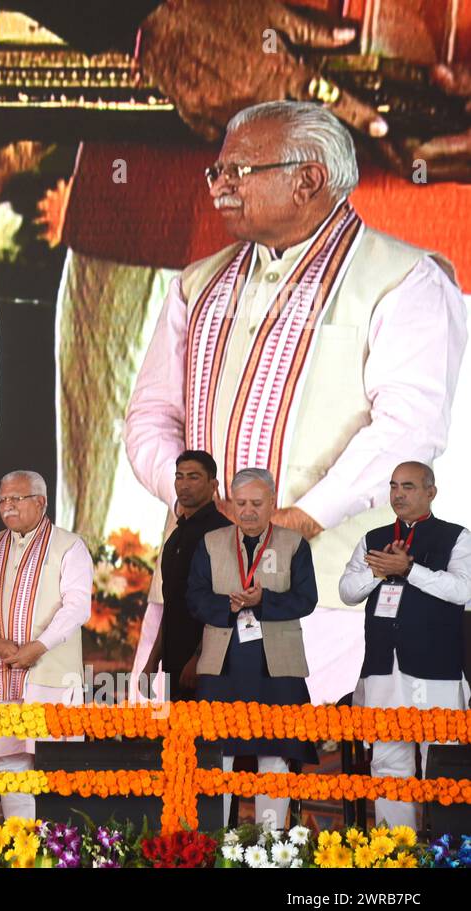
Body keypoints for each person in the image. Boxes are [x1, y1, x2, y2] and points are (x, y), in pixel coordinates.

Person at [125, 101, 468, 707]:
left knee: (287, 762)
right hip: (199, 576)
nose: (219, 186)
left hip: (327, 586)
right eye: (216, 172)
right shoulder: (197, 283)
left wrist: (300, 518)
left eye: (239, 171)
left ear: (308, 179)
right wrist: (199, 501)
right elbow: (151, 418)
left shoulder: (405, 279)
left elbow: (407, 432)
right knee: (185, 771)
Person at [339, 461, 471, 829]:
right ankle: (397, 851)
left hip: (435, 673)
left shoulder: (457, 537)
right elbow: (347, 591)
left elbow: (463, 589)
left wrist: (410, 570)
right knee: (388, 765)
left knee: (443, 767)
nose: (398, 493)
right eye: (394, 485)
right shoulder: (373, 537)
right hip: (383, 671)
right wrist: (379, 571)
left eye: (409, 486)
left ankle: (449, 853)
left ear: (431, 492)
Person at [0, 470, 93, 821]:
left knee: (52, 764)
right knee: (7, 760)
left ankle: (52, 845)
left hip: (50, 673)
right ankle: (22, 846)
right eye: (2, 500)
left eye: (16, 498)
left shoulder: (69, 545)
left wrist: (39, 645)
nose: (7, 506)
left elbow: (77, 606)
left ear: (41, 502)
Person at [187, 468, 317, 827]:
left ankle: (270, 847)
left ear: (272, 503)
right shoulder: (212, 542)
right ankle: (214, 843)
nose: (247, 511)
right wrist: (226, 606)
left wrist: (264, 601)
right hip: (223, 664)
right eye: (241, 503)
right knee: (218, 754)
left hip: (276, 666)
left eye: (256, 503)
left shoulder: (294, 543)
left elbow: (306, 599)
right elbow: (194, 597)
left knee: (275, 754)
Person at [140, 450, 232, 700]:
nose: (184, 485)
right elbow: (172, 605)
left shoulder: (223, 533)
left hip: (212, 667)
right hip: (174, 664)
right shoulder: (175, 537)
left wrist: (200, 657)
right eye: (179, 477)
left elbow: (227, 604)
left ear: (213, 485)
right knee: (176, 738)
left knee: (210, 737)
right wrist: (152, 661)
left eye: (194, 477)